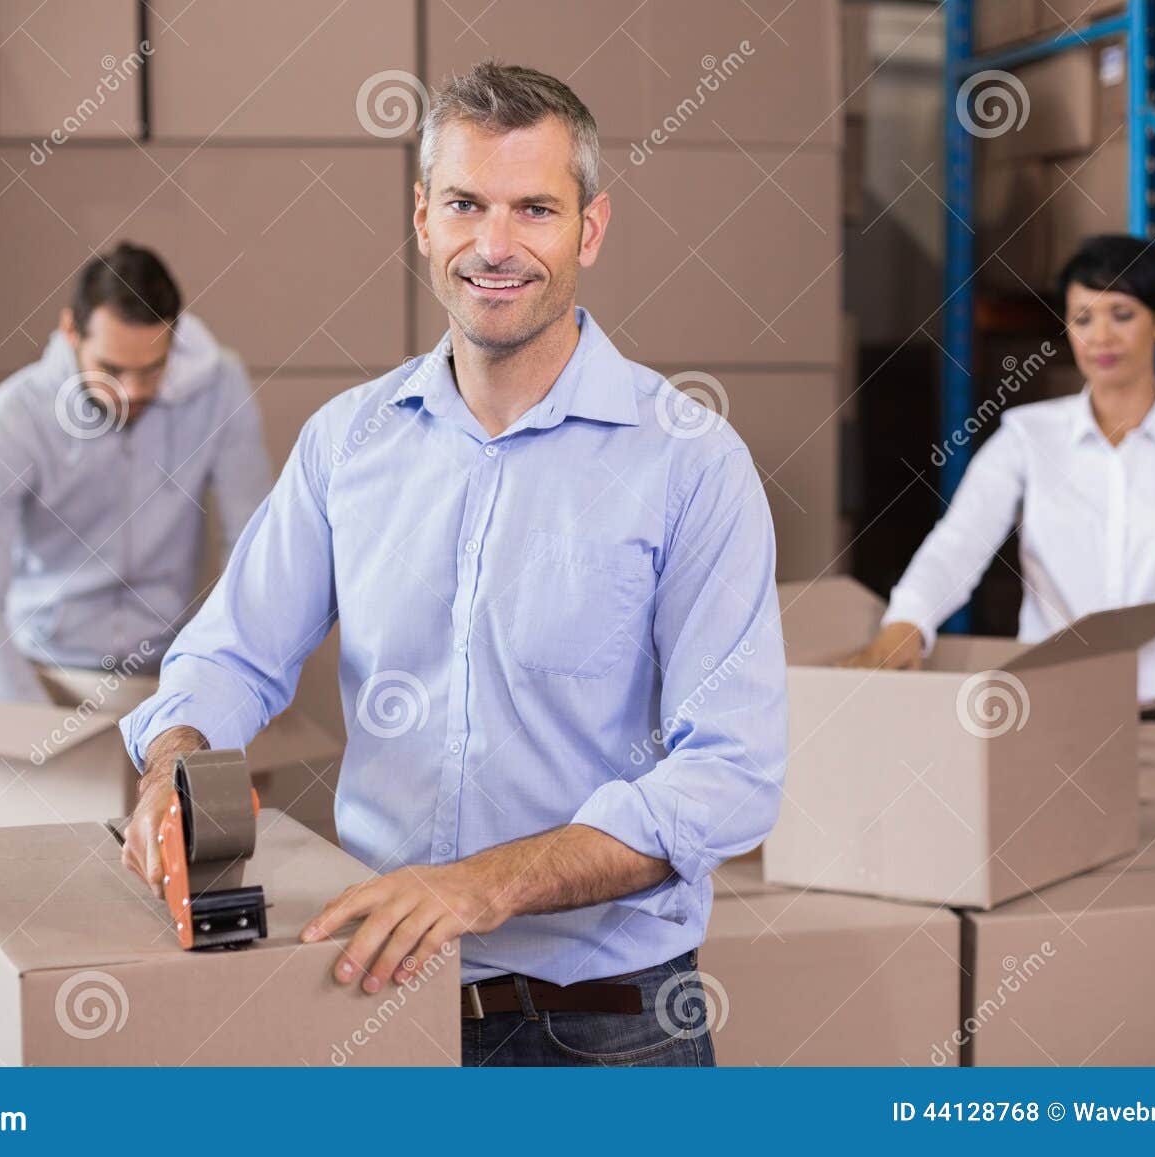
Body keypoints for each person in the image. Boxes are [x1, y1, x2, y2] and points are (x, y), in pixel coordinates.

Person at [118, 62, 786, 1067]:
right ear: (422, 219)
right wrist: (175, 757)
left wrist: (483, 884)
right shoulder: (348, 442)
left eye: (535, 209)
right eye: (467, 204)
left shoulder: (689, 462)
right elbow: (232, 653)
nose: (495, 245)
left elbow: (728, 775)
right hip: (375, 1000)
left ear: (590, 230)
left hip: (607, 1029)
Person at [840, 234, 1155, 837]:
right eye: (1083, 318)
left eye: (1122, 314)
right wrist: (906, 622)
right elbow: (958, 544)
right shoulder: (1027, 437)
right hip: (1053, 732)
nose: (1101, 337)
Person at [0, 243, 273, 703]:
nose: (131, 391)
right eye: (111, 369)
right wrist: (40, 730)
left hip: (170, 674)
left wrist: (241, 682)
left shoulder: (219, 385)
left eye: (152, 369)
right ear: (70, 332)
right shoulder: (6, 422)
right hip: (43, 675)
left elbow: (254, 547)